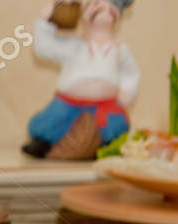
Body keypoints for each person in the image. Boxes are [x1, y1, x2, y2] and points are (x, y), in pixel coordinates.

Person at [23, 0, 140, 158]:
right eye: (98, 5)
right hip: (68, 103)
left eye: (110, 8)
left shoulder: (119, 50)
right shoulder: (73, 45)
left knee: (116, 126)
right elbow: (44, 49)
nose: (104, 10)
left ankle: (102, 147)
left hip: (104, 106)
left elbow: (131, 72)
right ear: (83, 15)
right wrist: (45, 23)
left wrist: (127, 92)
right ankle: (42, 144)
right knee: (51, 122)